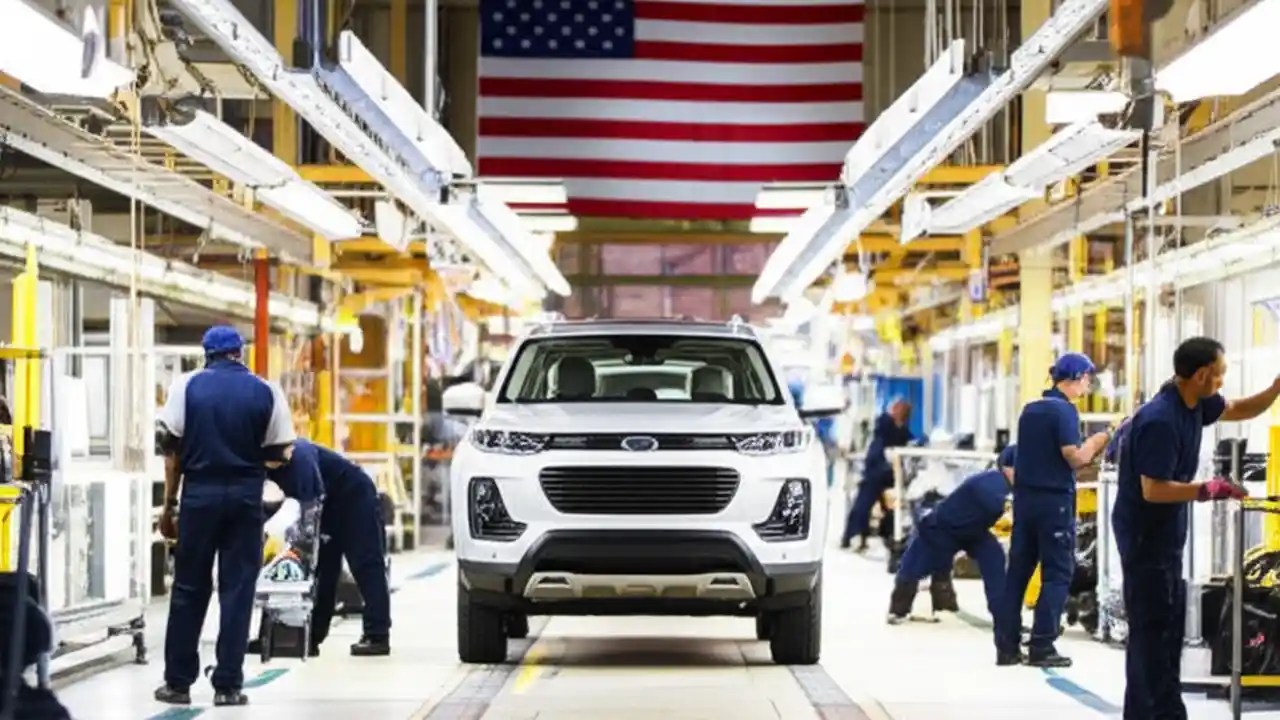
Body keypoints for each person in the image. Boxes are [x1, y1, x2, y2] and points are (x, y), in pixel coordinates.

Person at [1114, 337, 1278, 719]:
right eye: (1220, 374)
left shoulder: (1194, 403)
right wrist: (1208, 489)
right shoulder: (1160, 420)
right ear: (1202, 374)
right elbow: (1152, 489)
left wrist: (1274, 390)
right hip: (1144, 538)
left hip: (1166, 537)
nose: (1222, 381)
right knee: (1151, 634)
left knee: (1169, 632)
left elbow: (1237, 408)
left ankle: (1168, 713)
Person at [154, 326, 296, 707]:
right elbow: (283, 452)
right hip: (246, 499)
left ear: (207, 354)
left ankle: (179, 683)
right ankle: (228, 685)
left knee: (188, 588)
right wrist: (249, 462)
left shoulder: (186, 386)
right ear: (240, 353)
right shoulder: (266, 390)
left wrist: (170, 504)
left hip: (199, 495)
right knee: (237, 591)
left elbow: (172, 452)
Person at [993, 353, 1111, 668]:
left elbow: (1015, 457)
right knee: (1058, 574)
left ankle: (1006, 647)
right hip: (1054, 504)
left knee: (1017, 574)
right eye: (1087, 378)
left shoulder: (1029, 411)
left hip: (1026, 502)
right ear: (1075, 377)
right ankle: (1042, 646)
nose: (1088, 385)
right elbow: (1074, 458)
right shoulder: (1065, 412)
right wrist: (1100, 439)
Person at [268, 438, 392, 657]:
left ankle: (377, 635)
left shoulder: (300, 459)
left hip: (355, 497)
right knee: (324, 571)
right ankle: (310, 638)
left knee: (365, 564)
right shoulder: (261, 464)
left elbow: (311, 505)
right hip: (328, 503)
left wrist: (303, 542)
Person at [888, 445, 1017, 624]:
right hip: (942, 530)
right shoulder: (993, 483)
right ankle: (898, 609)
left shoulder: (1008, 486)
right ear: (1008, 468)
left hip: (974, 532)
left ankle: (1005, 616)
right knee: (916, 566)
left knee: (994, 557)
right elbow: (1000, 503)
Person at [842, 399, 914, 551]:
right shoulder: (886, 426)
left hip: (884, 473)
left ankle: (863, 535)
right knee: (866, 505)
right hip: (877, 472)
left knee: (878, 506)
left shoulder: (896, 429)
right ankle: (855, 535)